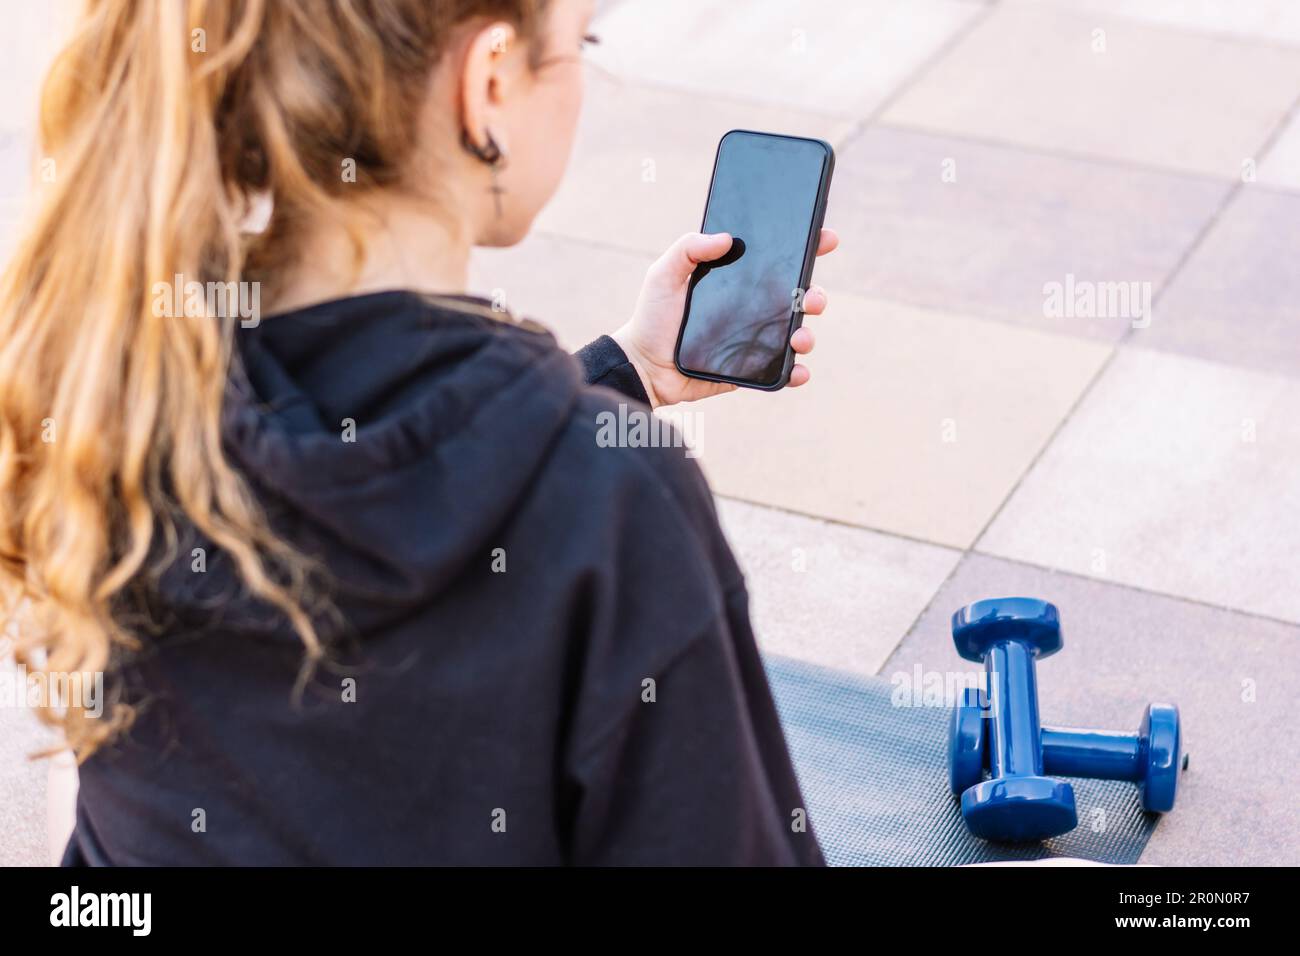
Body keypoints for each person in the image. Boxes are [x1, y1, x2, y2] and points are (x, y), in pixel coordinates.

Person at [0, 0, 838, 865]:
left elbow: (350, 482)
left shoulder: (114, 404)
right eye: (579, 41)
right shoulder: (618, 509)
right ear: (486, 86)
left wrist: (624, 374)